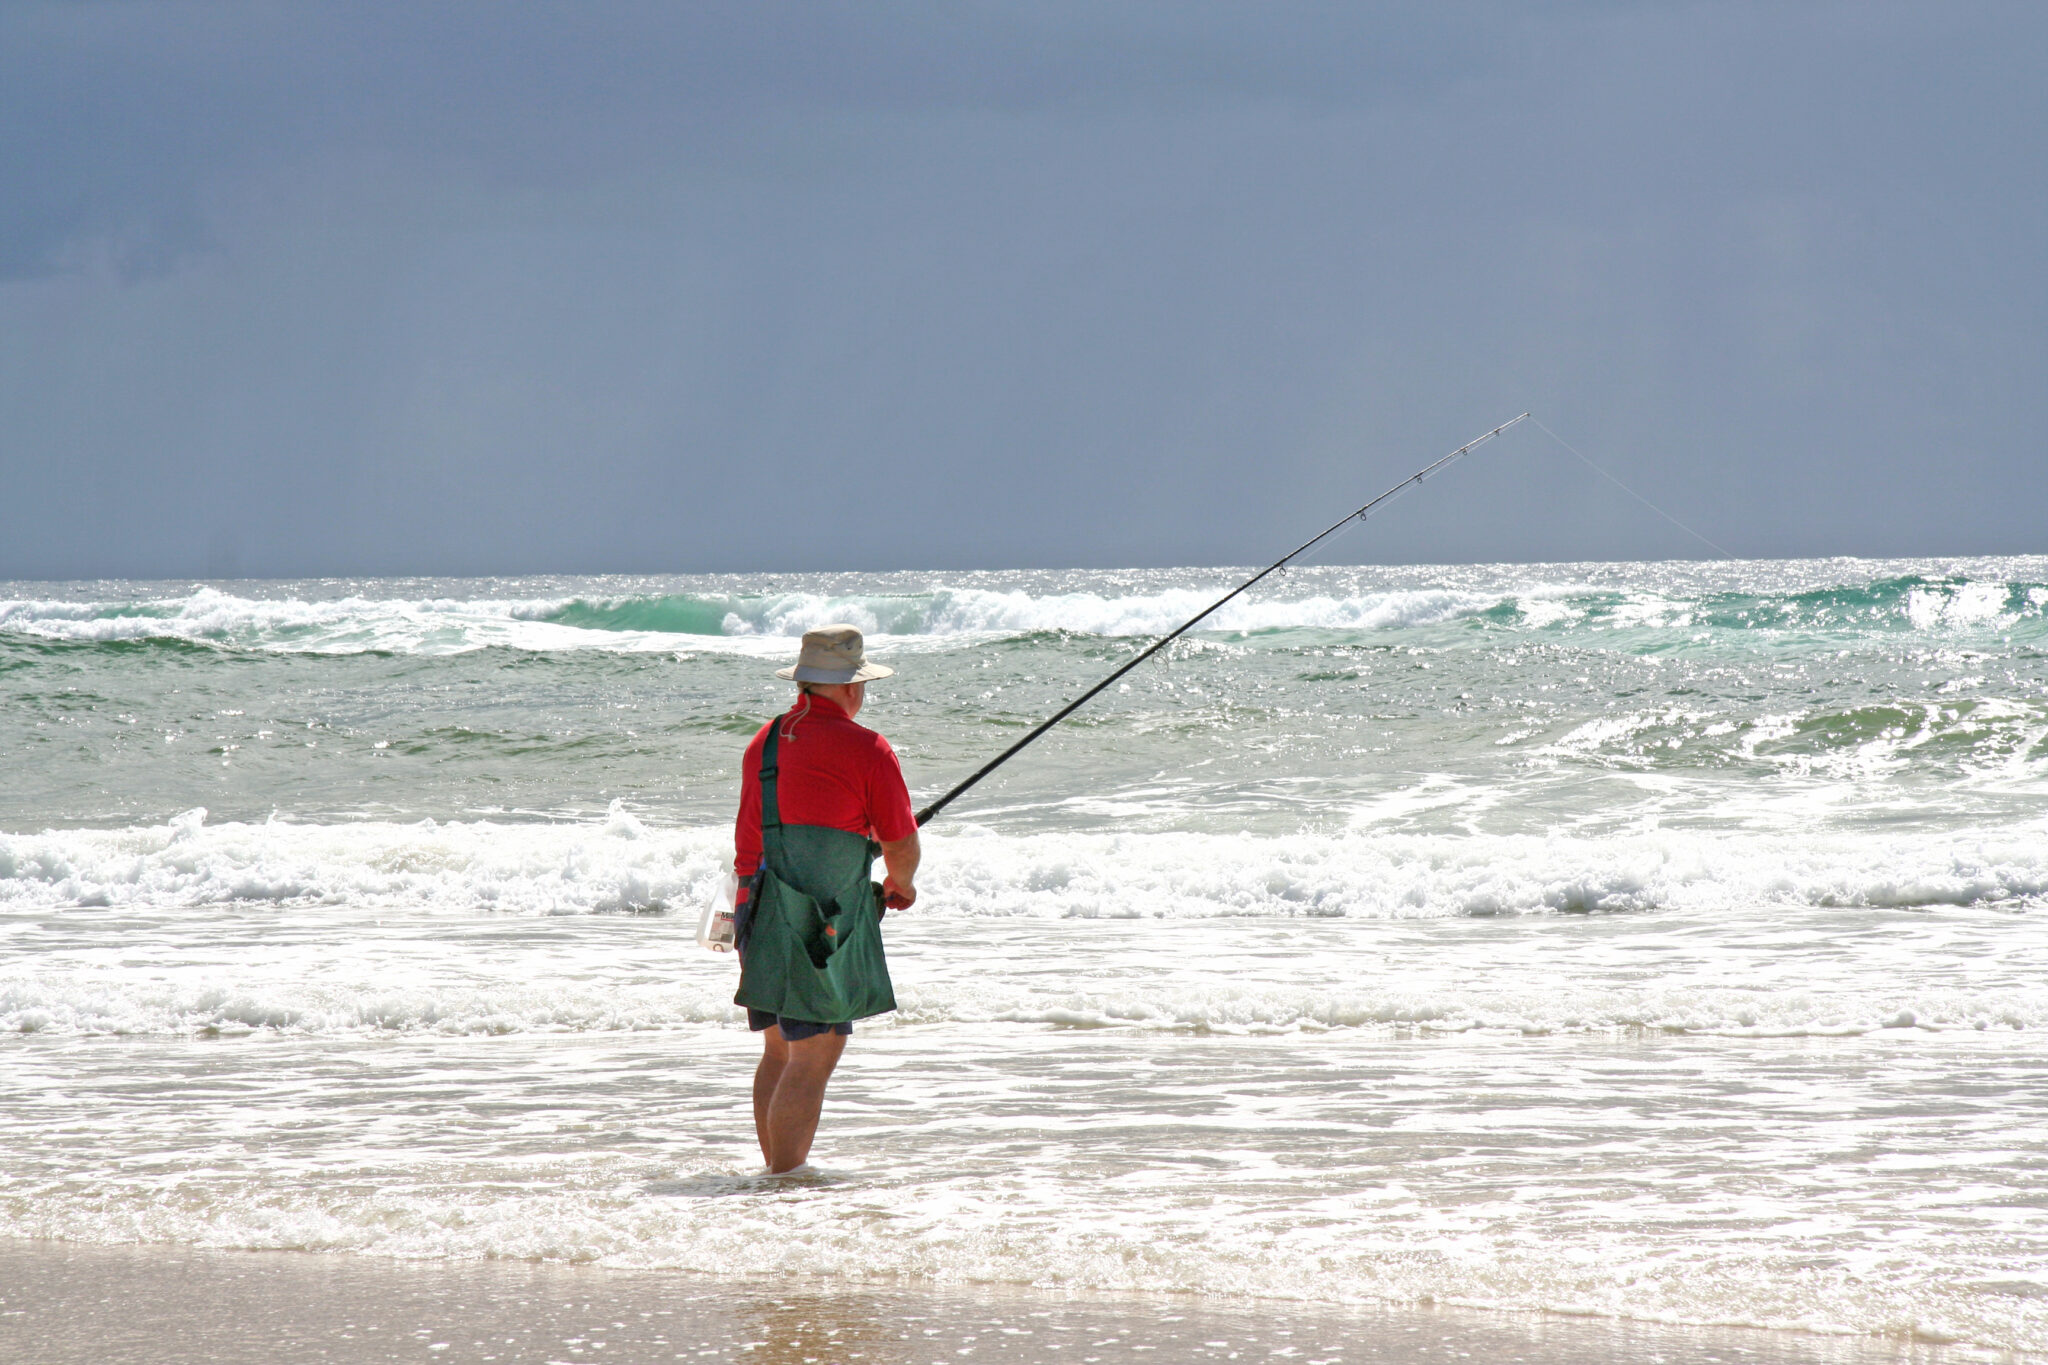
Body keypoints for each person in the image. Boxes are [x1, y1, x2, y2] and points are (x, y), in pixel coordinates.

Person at [732, 624, 919, 1173]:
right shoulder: (869, 749)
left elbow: (758, 833)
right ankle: (785, 1181)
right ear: (852, 687)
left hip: (754, 906)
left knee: (779, 1048)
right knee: (814, 1052)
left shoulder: (763, 742)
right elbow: (901, 844)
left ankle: (775, 1173)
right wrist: (901, 884)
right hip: (817, 920)